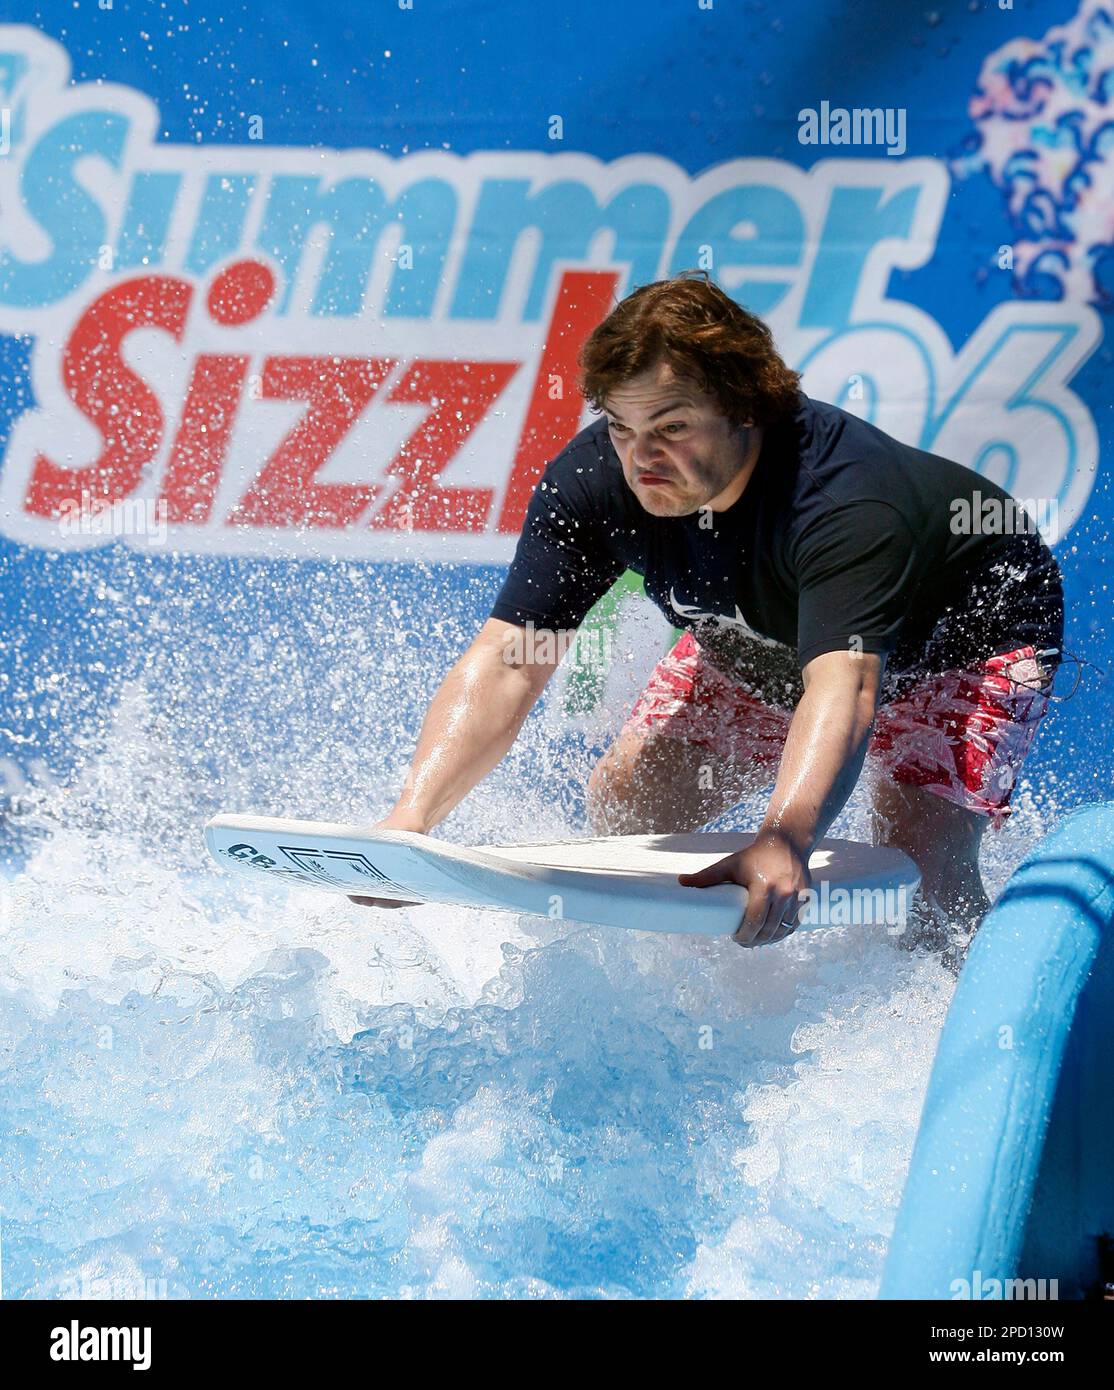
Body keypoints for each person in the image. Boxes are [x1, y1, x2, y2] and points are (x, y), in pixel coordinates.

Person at [354, 271, 1064, 951]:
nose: (642, 460)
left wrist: (784, 839)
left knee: (919, 873)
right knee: (631, 806)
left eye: (672, 426)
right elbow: (514, 660)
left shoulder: (842, 501)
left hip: (963, 640)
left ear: (747, 406)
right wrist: (412, 818)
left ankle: (961, 1033)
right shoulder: (596, 484)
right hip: (762, 638)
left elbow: (844, 688)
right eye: (623, 427)